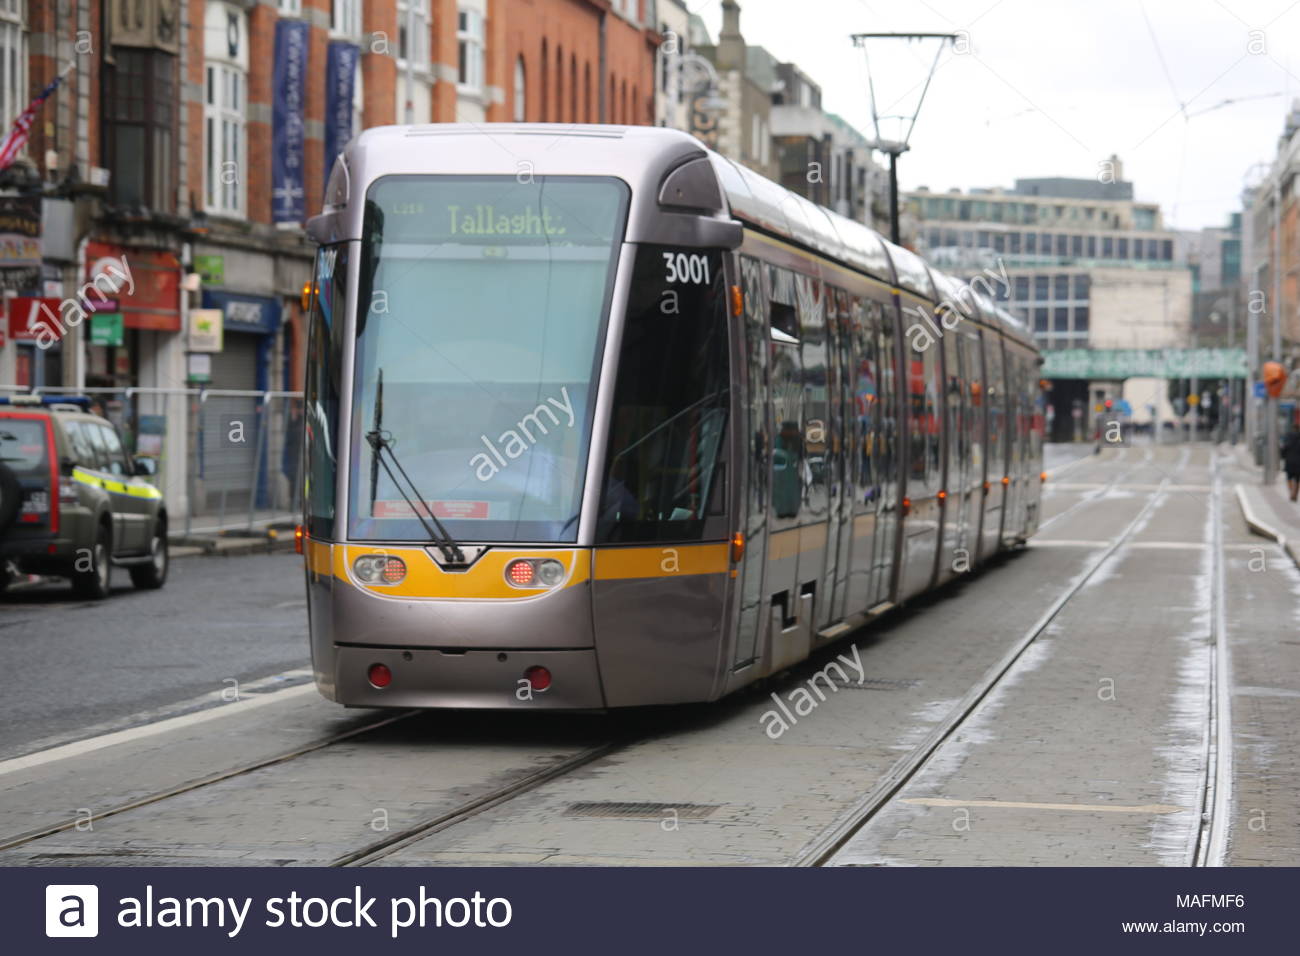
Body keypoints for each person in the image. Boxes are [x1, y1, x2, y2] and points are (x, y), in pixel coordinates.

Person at [1283, 426, 1300, 503]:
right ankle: (1295, 494)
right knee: (1297, 479)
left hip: (1289, 462)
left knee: (1289, 478)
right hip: (1298, 463)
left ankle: (1291, 492)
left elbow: (1284, 450)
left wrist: (1284, 457)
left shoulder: (1288, 438)